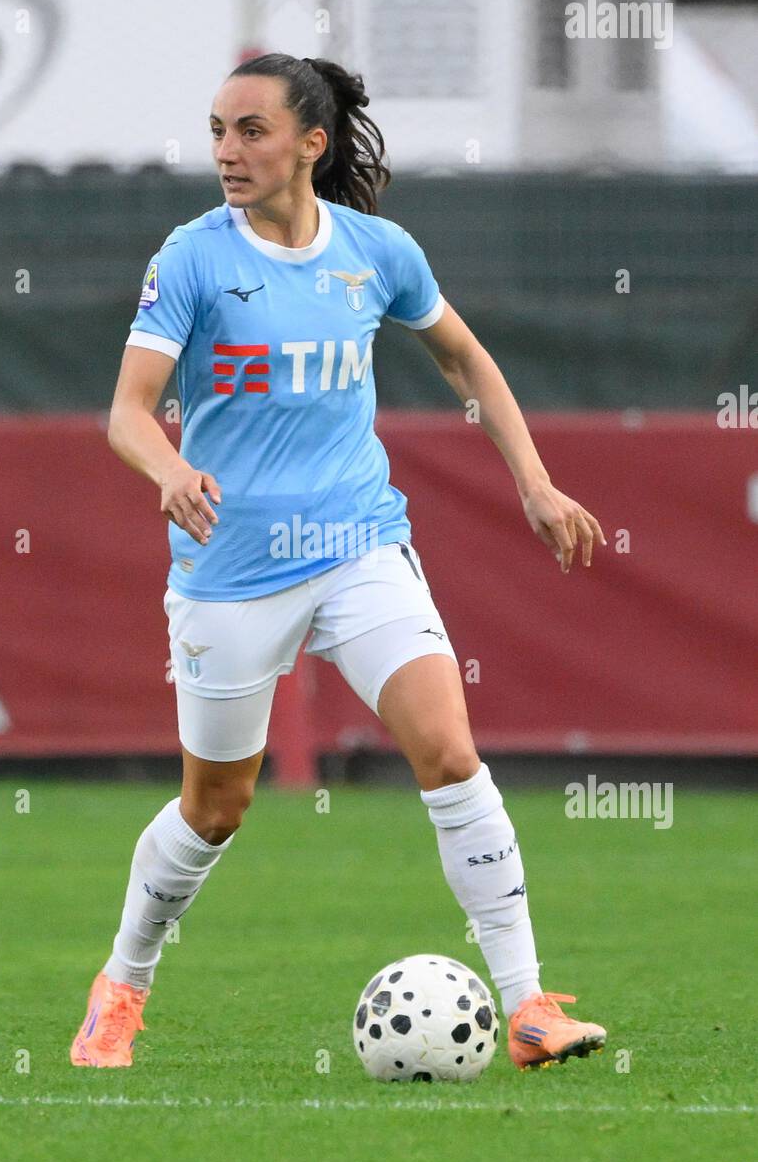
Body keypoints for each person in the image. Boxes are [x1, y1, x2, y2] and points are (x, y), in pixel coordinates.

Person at [70, 53, 607, 1072]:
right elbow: (127, 412)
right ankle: (122, 984)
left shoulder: (376, 251)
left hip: (360, 547)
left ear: (309, 144)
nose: (228, 151)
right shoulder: (190, 258)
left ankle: (528, 1005)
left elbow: (464, 357)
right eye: (219, 130)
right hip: (229, 570)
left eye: (251, 131)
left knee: (449, 753)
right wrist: (171, 469)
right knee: (214, 808)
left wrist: (534, 482)